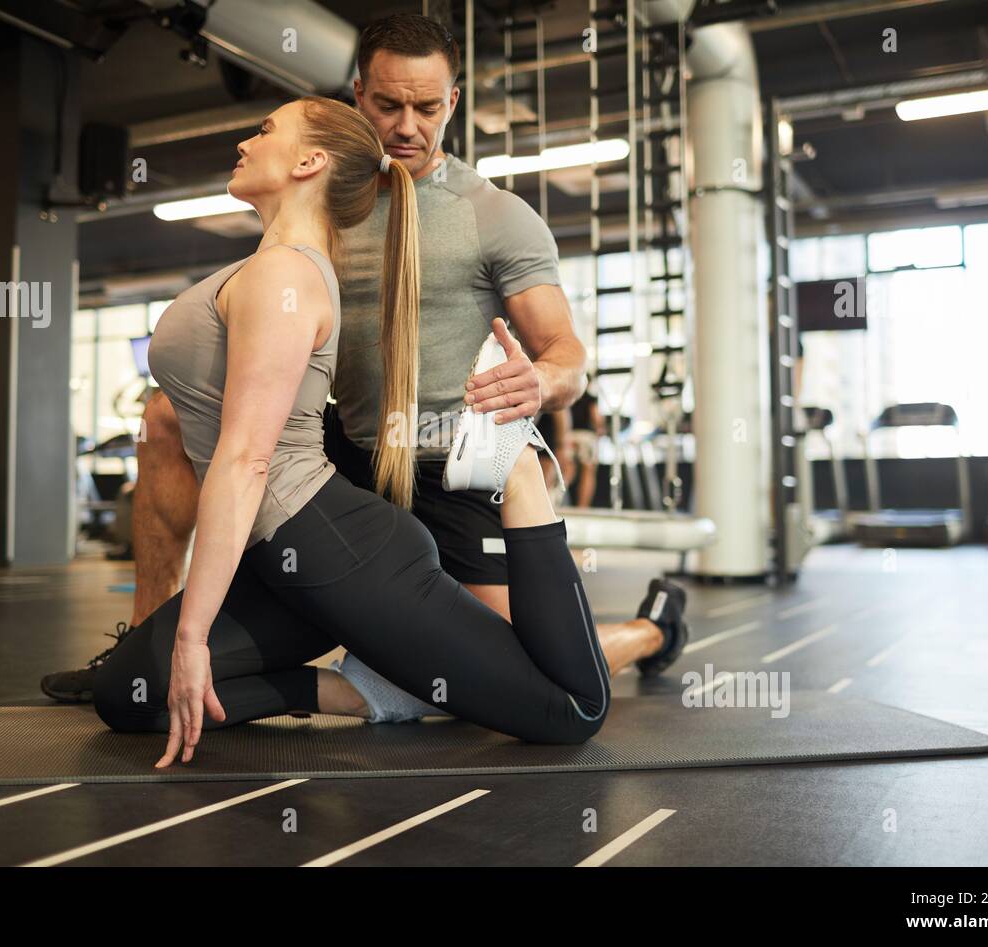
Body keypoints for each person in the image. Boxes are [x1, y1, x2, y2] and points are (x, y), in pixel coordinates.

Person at [42, 13, 686, 709]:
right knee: (164, 418)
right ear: (358, 95)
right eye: (388, 104)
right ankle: (146, 638)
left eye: (427, 107)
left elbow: (567, 356)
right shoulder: (331, 200)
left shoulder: (495, 215)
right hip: (346, 452)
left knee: (519, 670)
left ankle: (649, 631)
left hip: (448, 468)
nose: (408, 124)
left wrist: (540, 380)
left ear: (454, 104)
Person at [564, 380, 605, 508]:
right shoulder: (591, 399)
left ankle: (557, 500)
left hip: (570, 436)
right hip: (586, 437)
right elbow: (597, 419)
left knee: (567, 471)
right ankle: (583, 506)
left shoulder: (567, 397)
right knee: (588, 472)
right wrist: (601, 429)